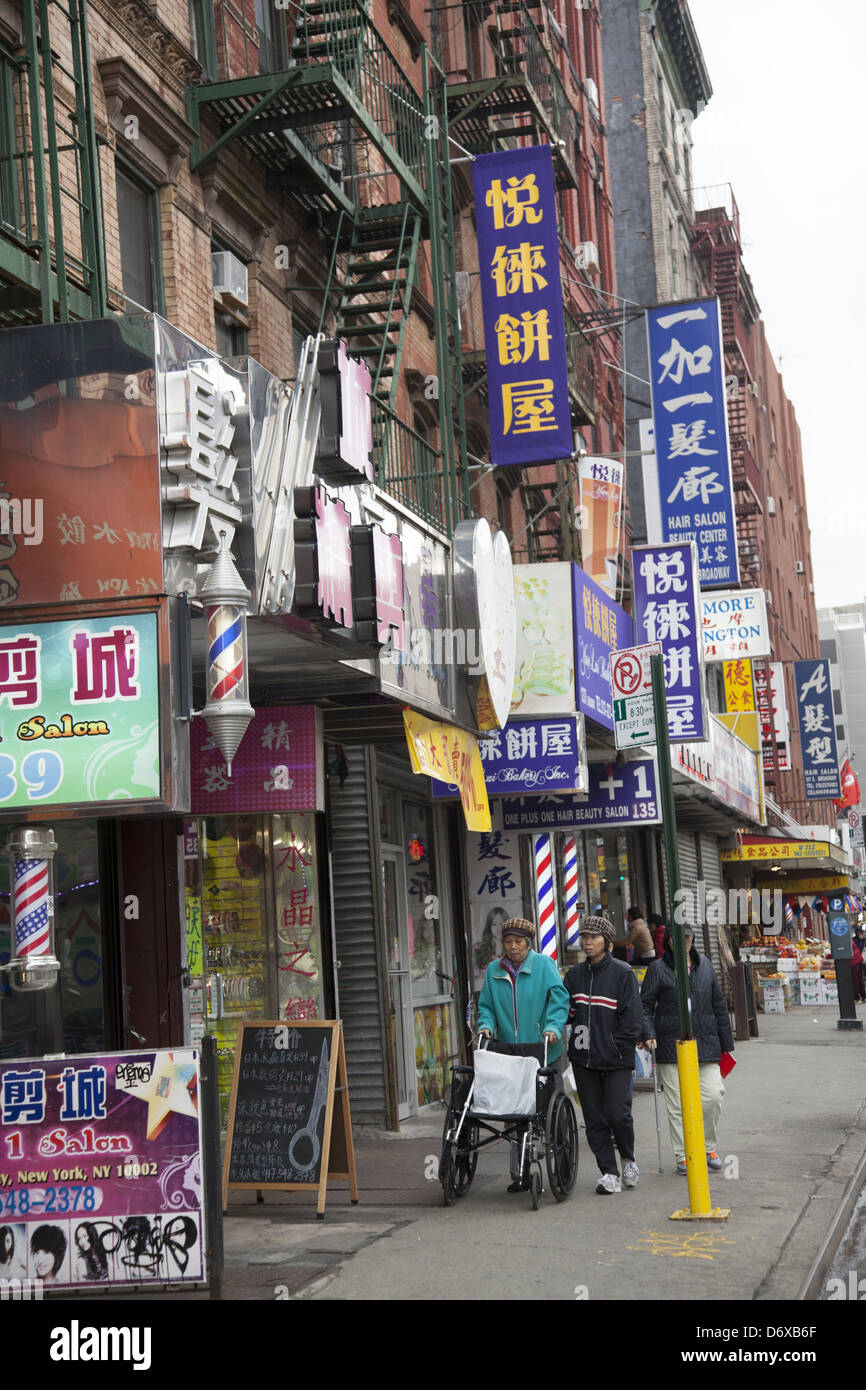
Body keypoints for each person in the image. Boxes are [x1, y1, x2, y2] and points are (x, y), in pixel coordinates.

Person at [477, 916, 570, 1192]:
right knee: (515, 1110)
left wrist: (553, 1026)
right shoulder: (494, 970)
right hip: (510, 1052)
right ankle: (519, 1173)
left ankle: (562, 1166)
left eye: (518, 942)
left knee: (552, 1110)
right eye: (508, 942)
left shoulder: (543, 965)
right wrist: (485, 1025)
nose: (513, 947)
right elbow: (487, 1007)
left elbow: (559, 997)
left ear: (528, 944)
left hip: (543, 1048)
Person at [640, 923, 734, 1175]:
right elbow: (645, 1006)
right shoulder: (657, 969)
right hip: (670, 1044)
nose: (684, 943)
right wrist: (648, 1035)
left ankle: (707, 1147)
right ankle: (683, 1154)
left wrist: (726, 1044)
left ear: (693, 940)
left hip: (705, 1042)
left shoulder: (705, 966)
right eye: (678, 939)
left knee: (713, 1096)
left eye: (688, 938)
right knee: (677, 1104)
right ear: (668, 941)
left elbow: (719, 1005)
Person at [563, 915, 643, 1194]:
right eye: (585, 937)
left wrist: (617, 1045)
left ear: (608, 943)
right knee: (595, 1118)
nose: (588, 941)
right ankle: (609, 1172)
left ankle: (628, 1159)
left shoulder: (623, 973)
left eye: (594, 937)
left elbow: (633, 1017)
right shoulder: (573, 976)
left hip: (616, 1058)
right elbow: (567, 1014)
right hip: (583, 1059)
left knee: (618, 1114)